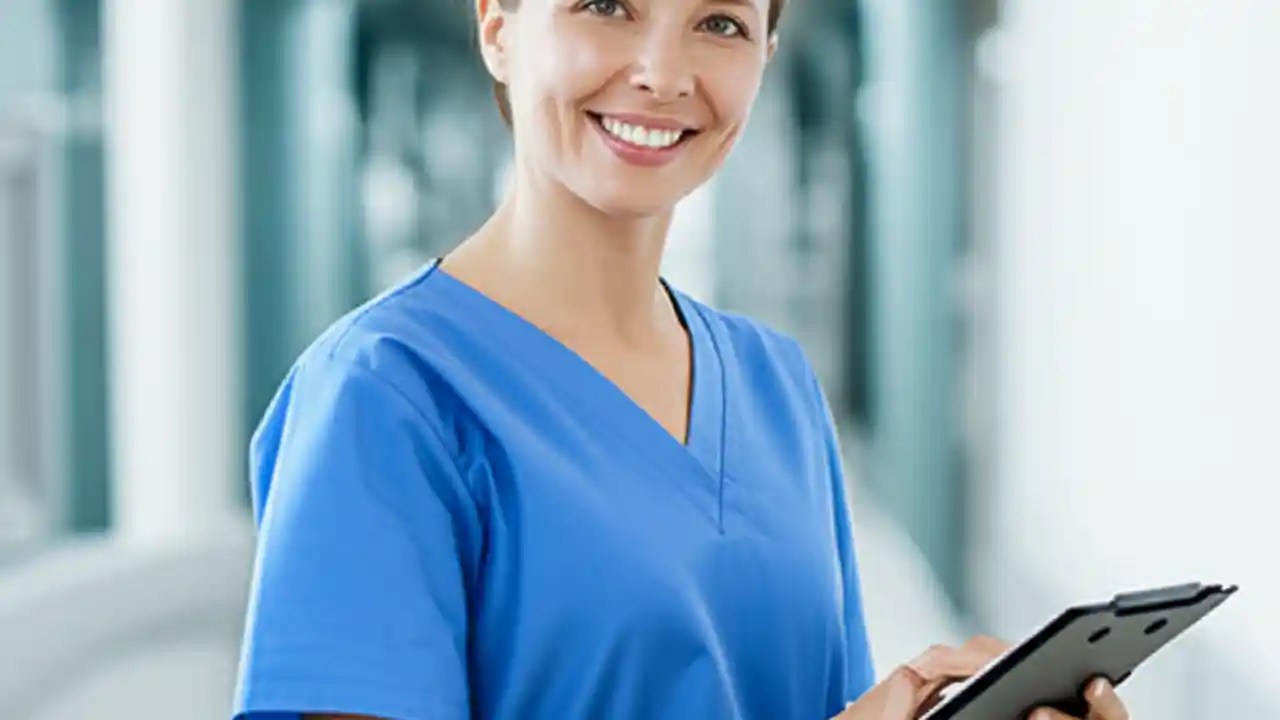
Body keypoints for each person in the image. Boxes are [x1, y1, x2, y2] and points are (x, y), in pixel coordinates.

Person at [232, 0, 1133, 717]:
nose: (663, 73)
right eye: (606, 6)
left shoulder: (775, 382)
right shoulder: (385, 393)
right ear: (499, 29)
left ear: (765, 54)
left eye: (720, 24)